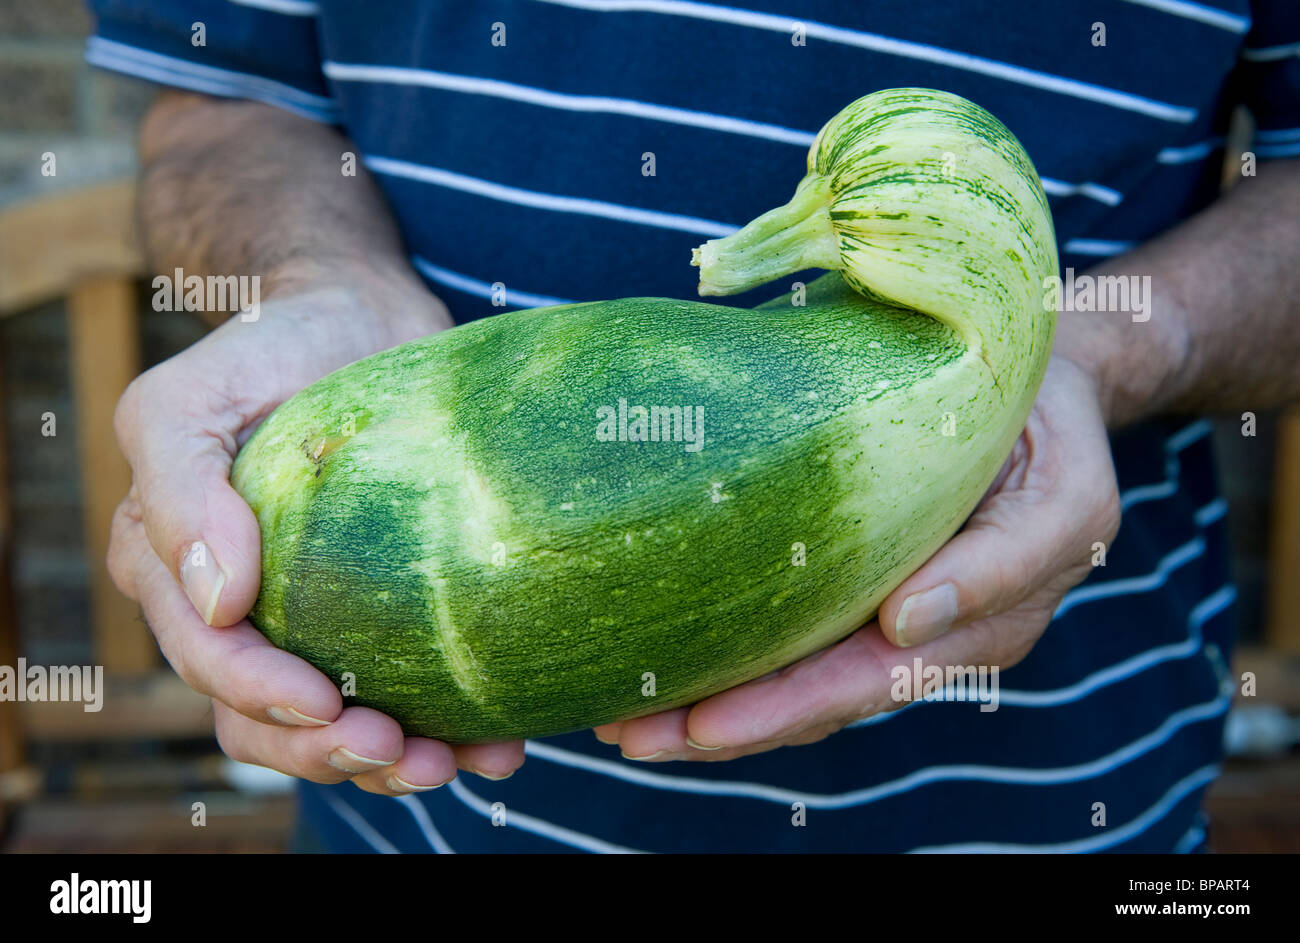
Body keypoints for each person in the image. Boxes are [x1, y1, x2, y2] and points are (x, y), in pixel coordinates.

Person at [89, 0, 1300, 852]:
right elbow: (219, 100)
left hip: (1054, 803)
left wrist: (1090, 358)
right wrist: (315, 282)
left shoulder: (944, 352)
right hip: (419, 826)